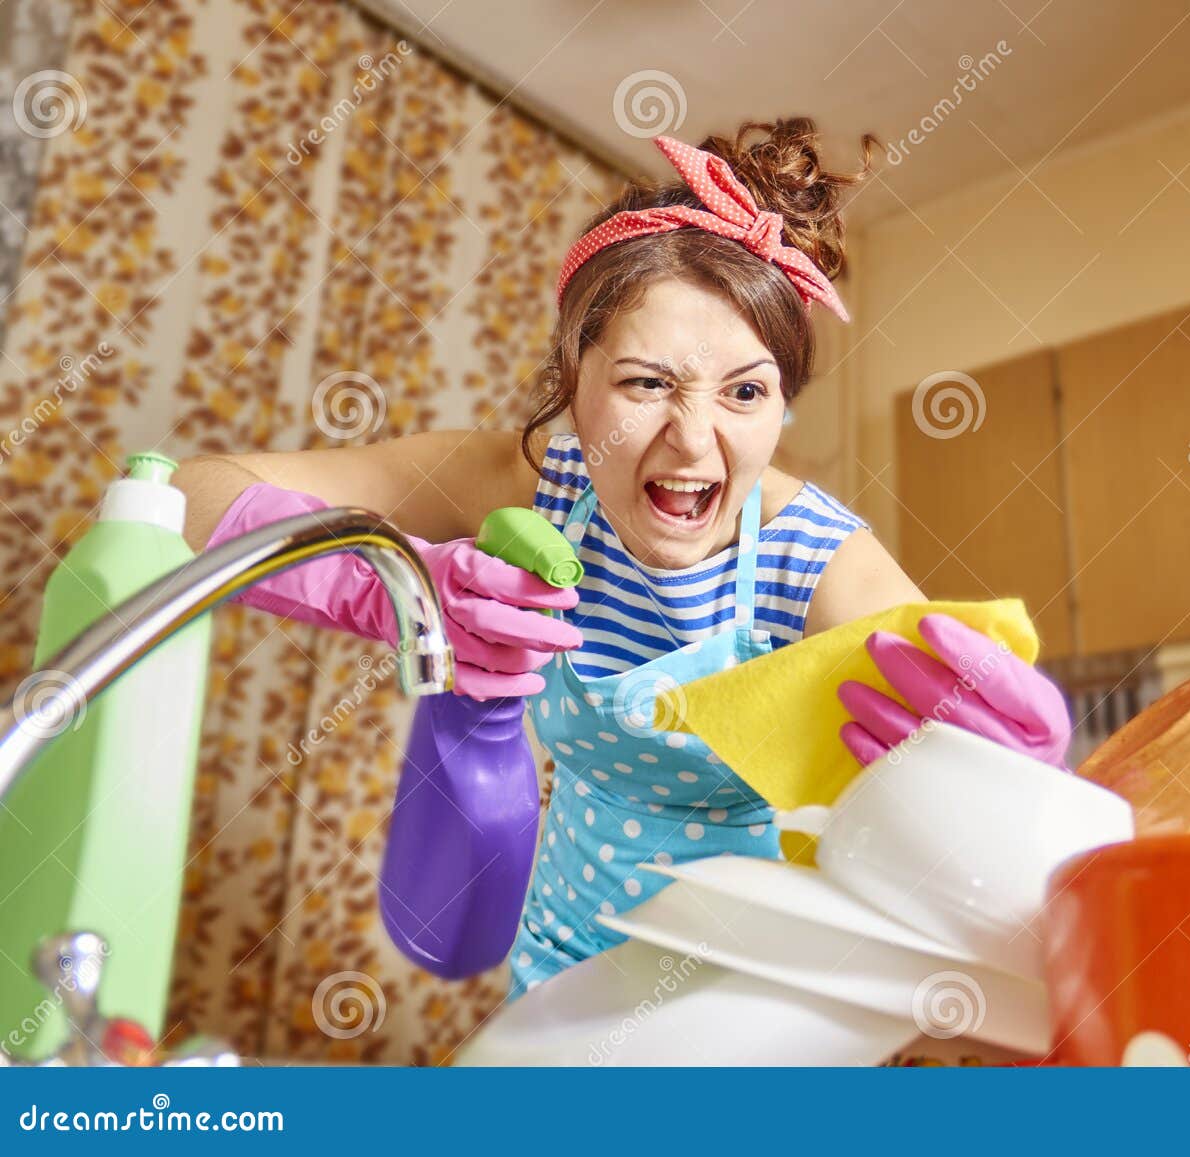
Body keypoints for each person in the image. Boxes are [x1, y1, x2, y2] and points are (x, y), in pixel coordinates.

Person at [175, 118, 1071, 997]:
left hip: (754, 1002)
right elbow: (186, 498)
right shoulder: (540, 484)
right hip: (558, 975)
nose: (693, 439)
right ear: (577, 382)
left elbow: (998, 850)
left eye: (745, 391)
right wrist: (393, 583)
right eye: (648, 382)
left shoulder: (812, 559)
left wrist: (1015, 787)